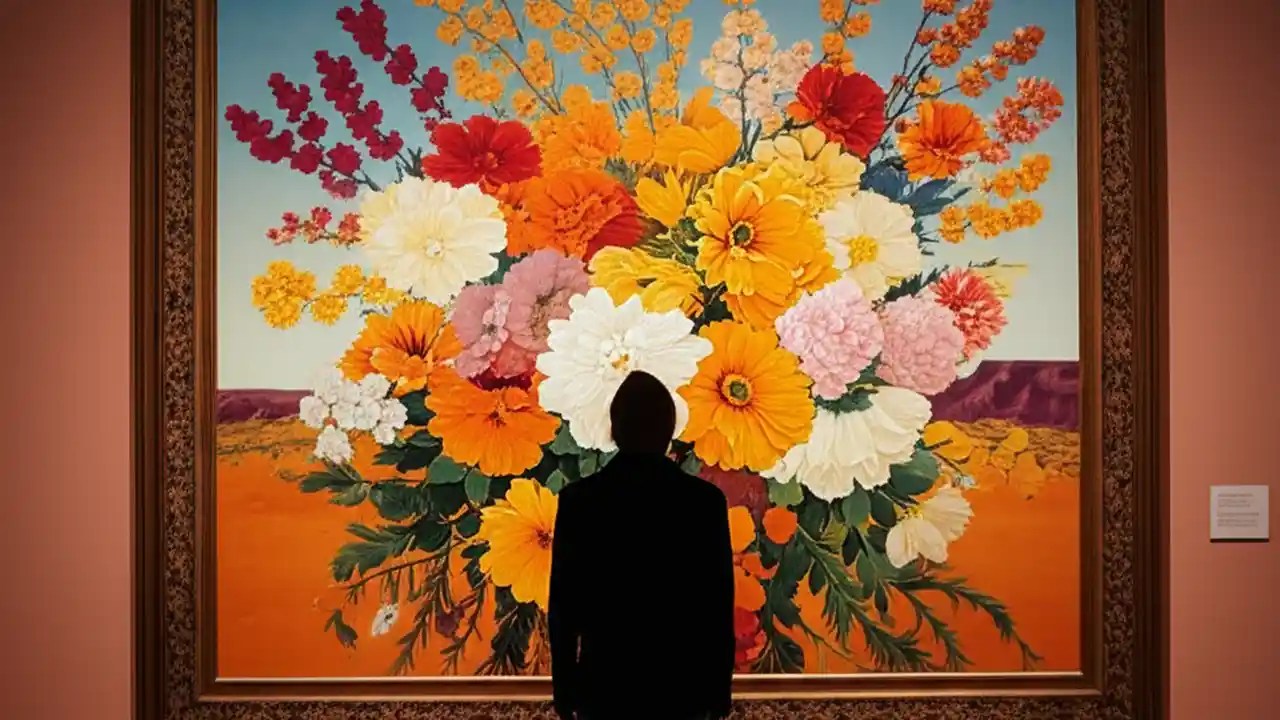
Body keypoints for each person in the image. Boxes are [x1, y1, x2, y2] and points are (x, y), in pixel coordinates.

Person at [548, 370, 736, 720]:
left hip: (604, 685)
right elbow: (717, 605)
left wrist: (565, 690)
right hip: (682, 688)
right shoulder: (703, 502)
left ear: (615, 429)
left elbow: (564, 607)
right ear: (668, 430)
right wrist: (719, 692)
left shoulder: (580, 501)